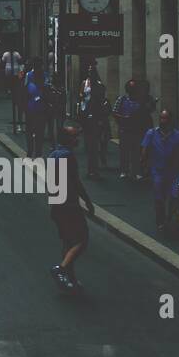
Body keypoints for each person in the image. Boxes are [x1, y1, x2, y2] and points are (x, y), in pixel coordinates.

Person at [48, 123, 96, 291]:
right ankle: (60, 270)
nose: (78, 139)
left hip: (56, 204)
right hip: (69, 204)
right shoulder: (68, 156)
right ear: (68, 139)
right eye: (75, 136)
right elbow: (76, 182)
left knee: (68, 242)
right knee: (82, 240)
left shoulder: (53, 154)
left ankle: (71, 278)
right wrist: (87, 201)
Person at [141, 109, 179, 232]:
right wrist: (144, 165)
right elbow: (144, 150)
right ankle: (160, 221)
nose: (162, 121)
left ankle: (169, 220)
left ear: (170, 120)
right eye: (161, 118)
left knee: (174, 197)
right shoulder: (151, 133)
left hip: (174, 172)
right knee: (159, 198)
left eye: (165, 118)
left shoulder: (177, 135)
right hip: (158, 171)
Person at [112, 80, 151, 180]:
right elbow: (115, 112)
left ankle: (137, 171)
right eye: (130, 88)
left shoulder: (141, 101)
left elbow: (144, 115)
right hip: (124, 129)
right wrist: (123, 119)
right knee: (124, 151)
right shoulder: (122, 99)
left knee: (136, 152)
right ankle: (124, 170)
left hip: (137, 129)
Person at [77, 63, 109, 179]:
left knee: (94, 144)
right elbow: (80, 97)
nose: (90, 73)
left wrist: (101, 118)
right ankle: (91, 168)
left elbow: (102, 103)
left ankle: (94, 168)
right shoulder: (84, 83)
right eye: (89, 71)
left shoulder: (100, 86)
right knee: (90, 145)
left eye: (92, 71)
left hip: (95, 117)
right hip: (86, 115)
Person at [23, 59, 47, 157]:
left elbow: (25, 90)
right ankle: (37, 152)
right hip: (39, 107)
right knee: (38, 131)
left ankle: (31, 151)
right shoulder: (44, 75)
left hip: (32, 107)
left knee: (31, 131)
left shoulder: (29, 75)